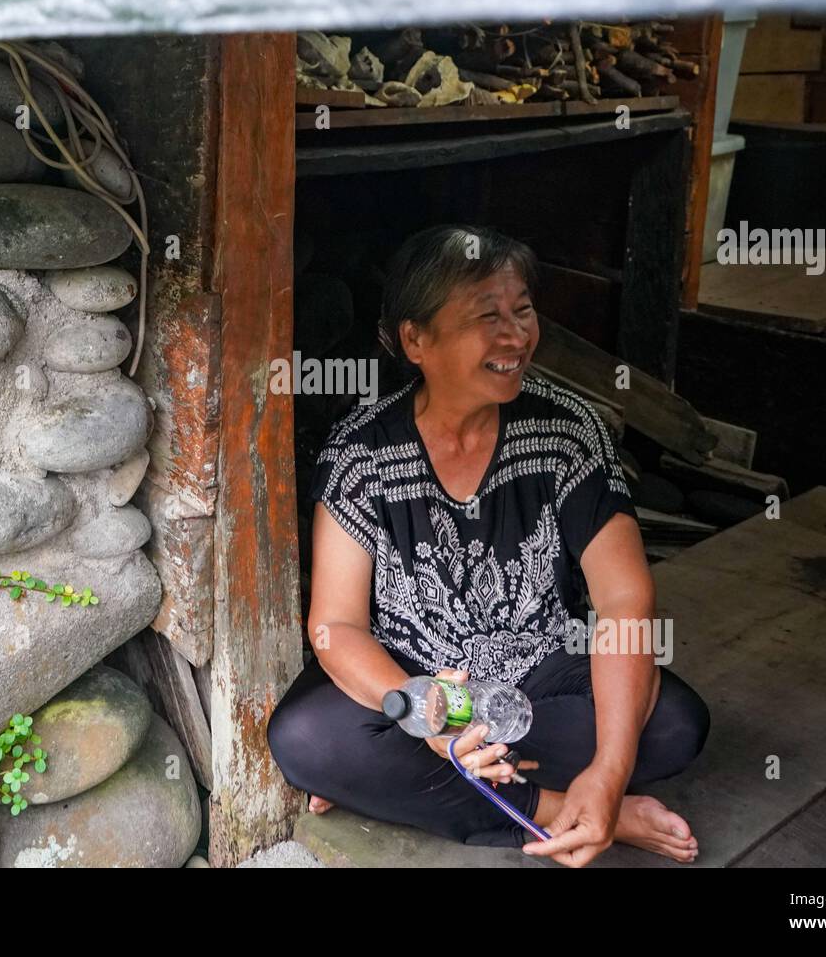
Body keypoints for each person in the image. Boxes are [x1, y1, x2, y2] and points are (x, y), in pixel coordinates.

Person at [267, 225, 710, 867]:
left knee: (673, 725)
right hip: (421, 679)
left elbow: (623, 603)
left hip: (539, 673)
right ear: (415, 340)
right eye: (486, 317)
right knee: (310, 740)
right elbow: (335, 624)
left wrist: (608, 772)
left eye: (522, 311)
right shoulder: (360, 453)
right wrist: (430, 718)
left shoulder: (567, 435)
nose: (515, 337)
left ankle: (421, 789)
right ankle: (558, 812)